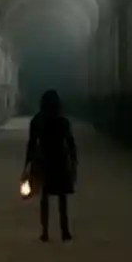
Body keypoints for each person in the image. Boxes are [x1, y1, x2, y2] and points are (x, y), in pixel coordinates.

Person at [25, 90, 77, 242]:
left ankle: (45, 232)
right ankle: (65, 231)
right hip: (60, 160)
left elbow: (32, 143)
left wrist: (27, 163)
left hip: (44, 160)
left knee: (45, 197)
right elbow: (70, 142)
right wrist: (74, 160)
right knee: (62, 198)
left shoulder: (37, 120)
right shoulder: (63, 121)